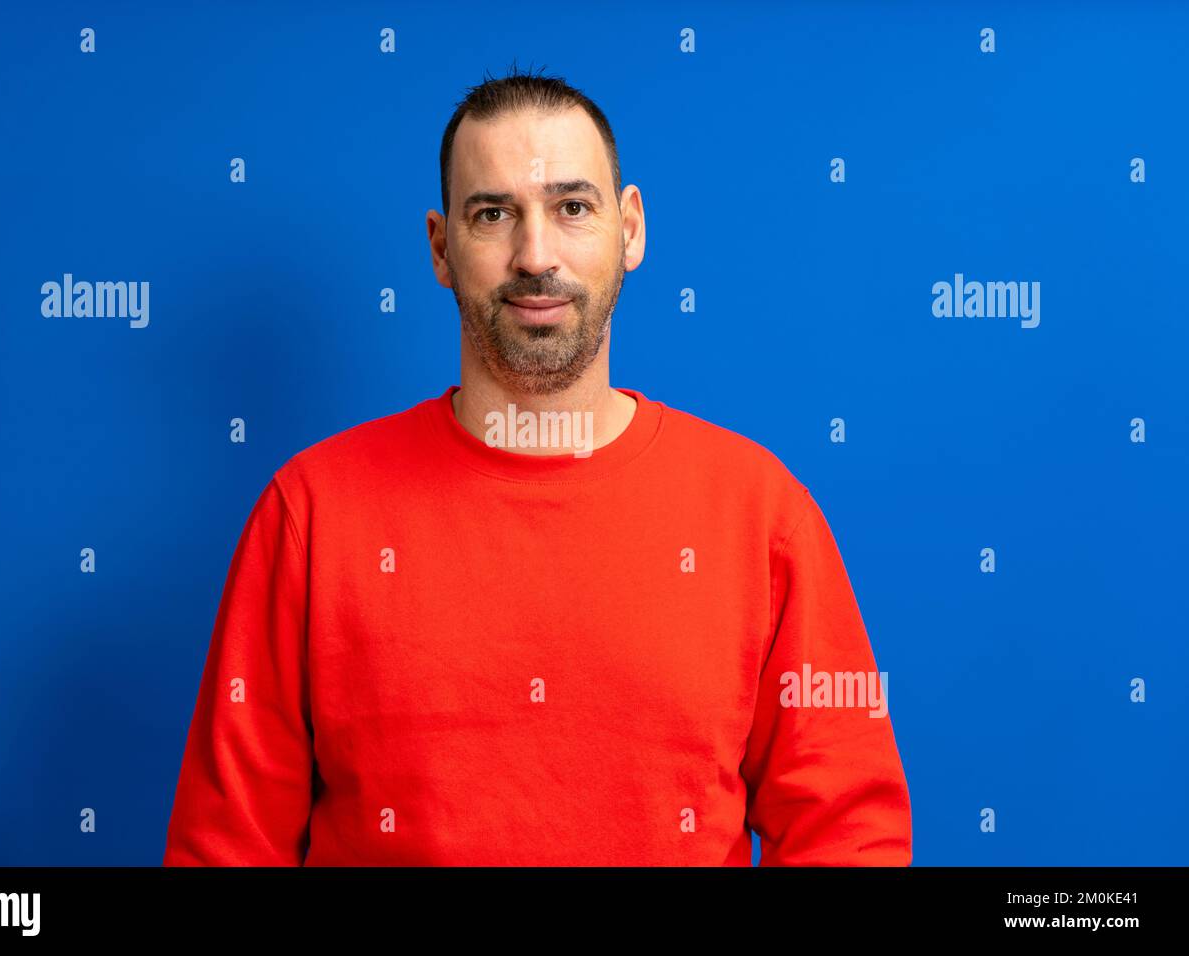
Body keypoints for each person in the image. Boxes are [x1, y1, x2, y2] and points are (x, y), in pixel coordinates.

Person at [162, 65, 912, 866]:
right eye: (494, 214)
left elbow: (848, 835)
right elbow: (228, 848)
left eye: (572, 207)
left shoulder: (760, 512)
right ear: (441, 247)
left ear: (630, 230)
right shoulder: (311, 513)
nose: (534, 254)